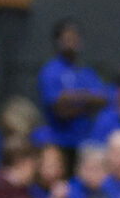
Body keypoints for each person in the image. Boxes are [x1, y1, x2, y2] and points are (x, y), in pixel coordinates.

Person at [35, 19, 109, 149]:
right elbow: (59, 109)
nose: (72, 41)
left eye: (75, 37)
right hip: (59, 142)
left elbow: (102, 99)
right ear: (58, 40)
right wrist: (87, 104)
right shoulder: (50, 70)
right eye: (68, 37)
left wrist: (72, 98)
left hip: (84, 142)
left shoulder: (86, 72)